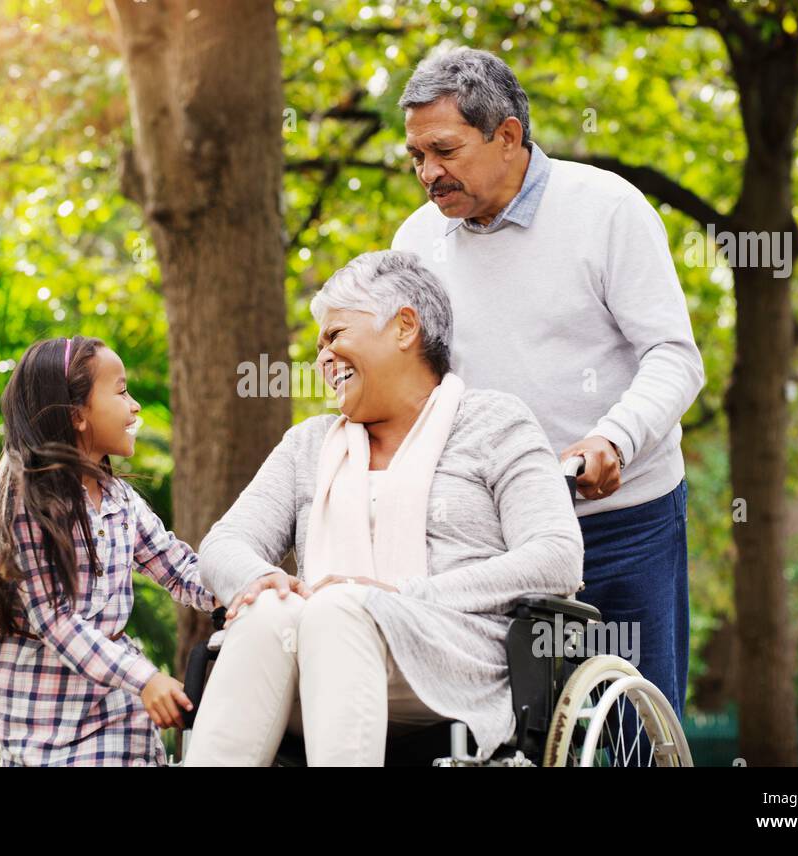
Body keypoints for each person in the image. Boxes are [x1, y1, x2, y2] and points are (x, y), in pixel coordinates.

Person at [391, 47, 706, 716]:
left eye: (443, 151)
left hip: (622, 520)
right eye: (416, 156)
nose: (427, 173)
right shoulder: (415, 244)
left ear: (506, 136)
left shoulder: (606, 210)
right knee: (508, 729)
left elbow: (675, 356)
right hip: (495, 534)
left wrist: (614, 440)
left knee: (633, 726)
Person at [184, 251, 583, 766]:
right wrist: (261, 578)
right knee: (270, 610)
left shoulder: (495, 424)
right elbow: (222, 544)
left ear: (404, 327)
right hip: (312, 658)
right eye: (319, 344)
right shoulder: (307, 445)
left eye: (336, 336)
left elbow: (556, 555)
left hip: (453, 664)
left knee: (339, 606)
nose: (322, 357)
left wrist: (403, 597)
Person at [0, 335, 218, 765]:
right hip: (48, 730)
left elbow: (179, 570)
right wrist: (144, 679)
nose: (135, 405)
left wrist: (247, 589)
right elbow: (56, 621)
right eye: (121, 390)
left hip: (115, 713)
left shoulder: (119, 499)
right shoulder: (23, 496)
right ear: (76, 415)